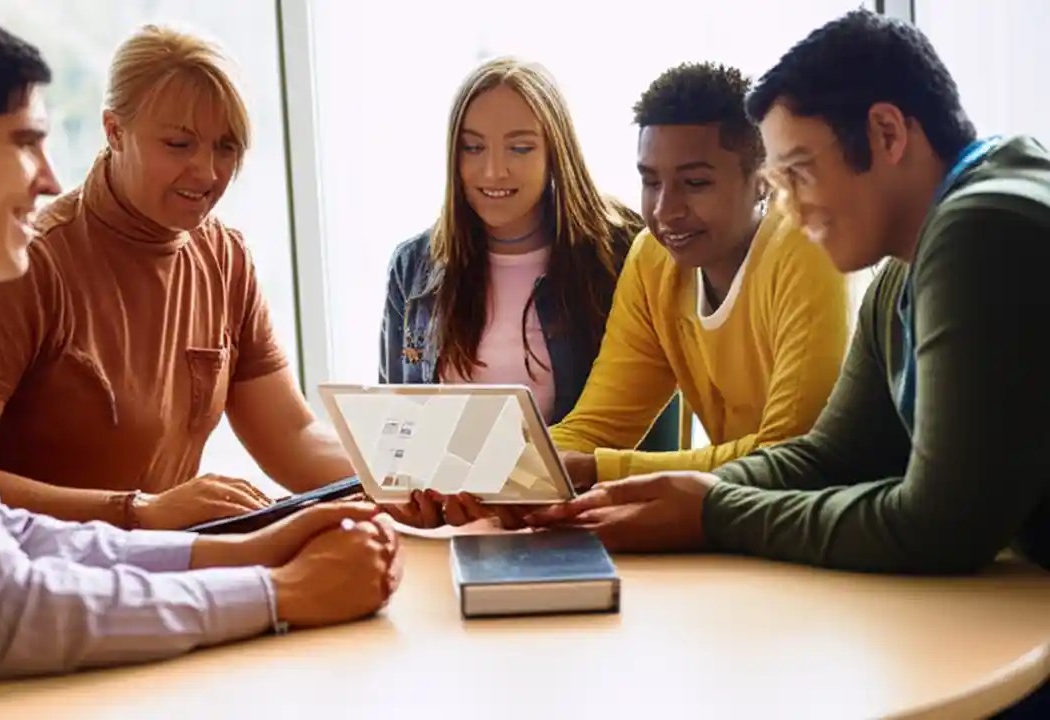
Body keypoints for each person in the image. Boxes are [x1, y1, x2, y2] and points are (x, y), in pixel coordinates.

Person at [0, 8, 400, 696]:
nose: (48, 177)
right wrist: (279, 593)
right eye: (24, 143)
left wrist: (233, 552)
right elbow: (1, 615)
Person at [527, 10, 1050, 577]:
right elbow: (830, 457)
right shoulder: (904, 271)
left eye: (799, 174)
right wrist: (666, 492)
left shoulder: (983, 226)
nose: (791, 211)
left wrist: (713, 511)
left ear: (887, 134)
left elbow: (940, 525)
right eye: (779, 184)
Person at [0, 25, 355, 532]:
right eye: (179, 144)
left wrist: (404, 482)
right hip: (34, 577)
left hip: (161, 569)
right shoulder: (25, 266)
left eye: (226, 148)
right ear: (114, 131)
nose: (208, 172)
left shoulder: (225, 257)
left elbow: (295, 437)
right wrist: (135, 510)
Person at [426, 62, 852, 528]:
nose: (666, 210)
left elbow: (791, 454)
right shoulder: (653, 258)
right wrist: (485, 478)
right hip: (750, 526)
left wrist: (598, 470)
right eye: (651, 181)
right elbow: (597, 425)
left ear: (765, 180)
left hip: (838, 529)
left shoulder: (806, 245)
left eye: (695, 183)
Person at [379, 57, 678, 528]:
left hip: (586, 523)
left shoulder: (621, 252)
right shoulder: (413, 267)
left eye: (519, 148)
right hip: (458, 529)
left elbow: (652, 428)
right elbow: (397, 428)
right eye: (473, 148)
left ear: (555, 152)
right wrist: (409, 495)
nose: (493, 171)